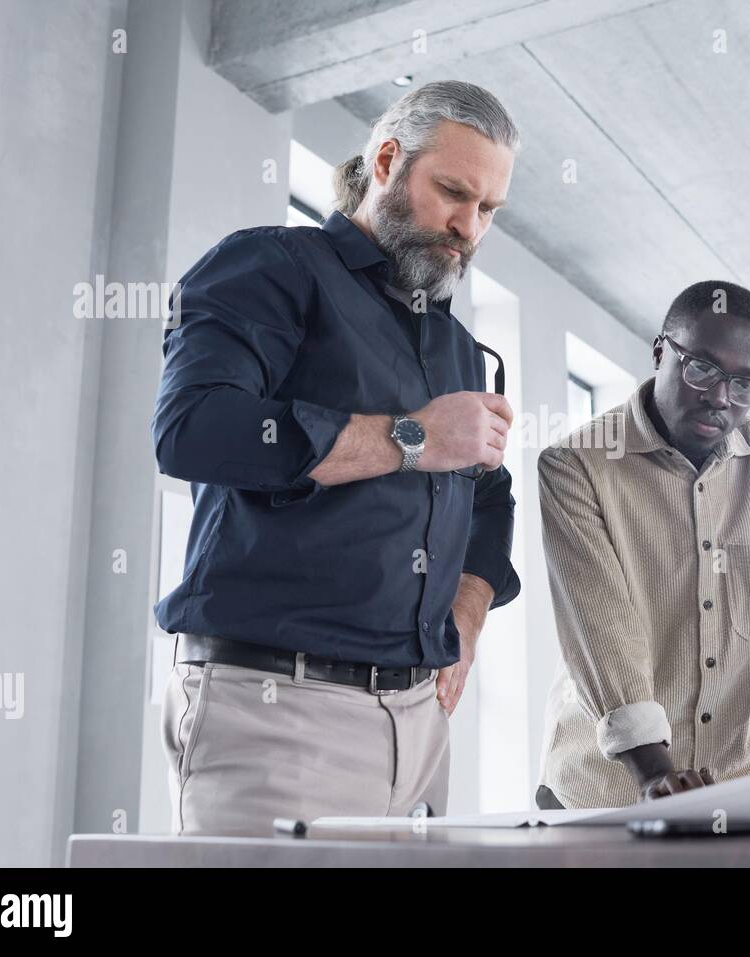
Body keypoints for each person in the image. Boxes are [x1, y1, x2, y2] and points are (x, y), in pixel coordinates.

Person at [152, 81, 521, 835]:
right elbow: (194, 428)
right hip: (273, 712)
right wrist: (412, 438)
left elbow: (488, 496)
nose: (469, 226)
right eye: (454, 193)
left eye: (488, 209)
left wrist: (467, 616)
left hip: (421, 725)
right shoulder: (271, 265)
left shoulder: (455, 342)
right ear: (386, 161)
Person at [536, 280, 750, 809]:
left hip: (740, 785)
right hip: (604, 792)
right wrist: (656, 775)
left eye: (745, 384)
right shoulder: (576, 466)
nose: (720, 397)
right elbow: (603, 633)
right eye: (701, 368)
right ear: (661, 352)